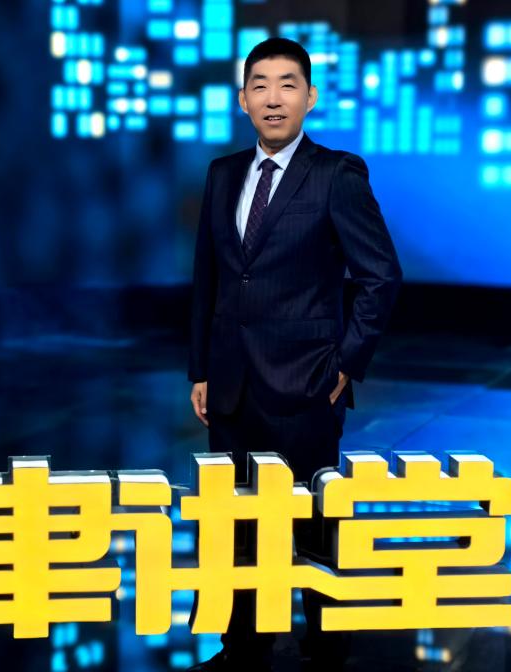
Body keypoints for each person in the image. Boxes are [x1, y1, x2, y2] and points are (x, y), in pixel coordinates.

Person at [186, 38, 402, 671]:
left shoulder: (337, 173)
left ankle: (327, 649)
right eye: (261, 84)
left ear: (311, 96)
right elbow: (209, 279)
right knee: (235, 521)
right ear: (243, 99)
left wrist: (346, 364)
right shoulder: (223, 174)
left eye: (288, 84)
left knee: (312, 523)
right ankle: (242, 648)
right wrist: (200, 368)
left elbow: (380, 276)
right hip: (230, 382)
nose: (274, 98)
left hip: (306, 383)